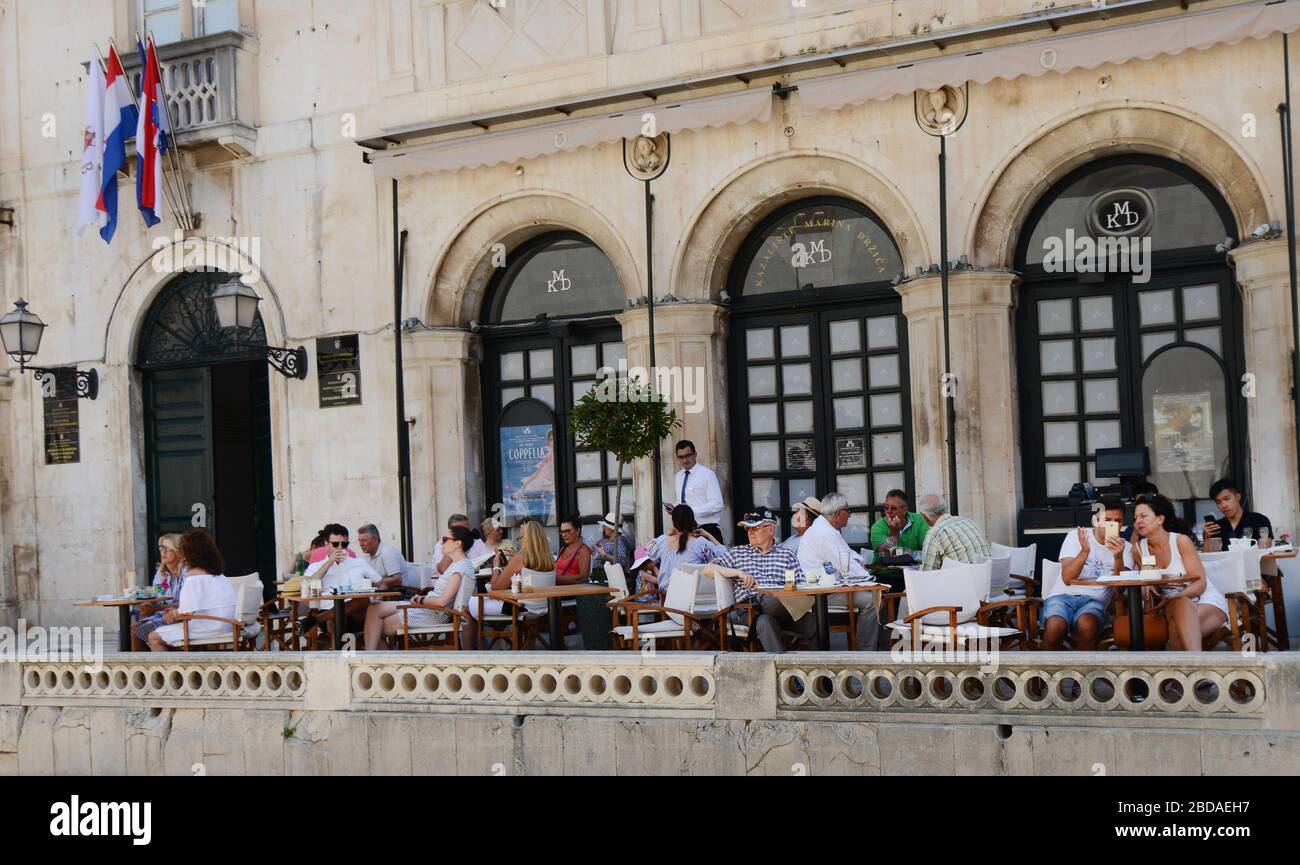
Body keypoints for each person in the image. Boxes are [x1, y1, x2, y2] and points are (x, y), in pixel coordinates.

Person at [701, 509, 810, 653]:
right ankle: (781, 673)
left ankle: (823, 675)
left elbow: (801, 586)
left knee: (815, 623)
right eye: (748, 528)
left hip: (784, 608)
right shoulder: (738, 553)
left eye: (755, 527)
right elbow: (707, 570)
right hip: (750, 611)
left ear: (770, 530)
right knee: (765, 617)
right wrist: (738, 573)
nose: (750, 532)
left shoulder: (787, 555)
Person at [1132, 494, 1228, 650]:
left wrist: (1172, 598)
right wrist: (1148, 586)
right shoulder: (1138, 550)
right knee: (1180, 607)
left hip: (1205, 601)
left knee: (1177, 623)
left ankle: (1180, 672)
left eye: (1143, 516)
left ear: (1160, 519)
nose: (1138, 521)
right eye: (1135, 518)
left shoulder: (1180, 541)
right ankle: (1196, 667)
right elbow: (1151, 581)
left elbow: (1200, 583)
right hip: (1169, 605)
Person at [364, 525, 475, 649]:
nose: (441, 543)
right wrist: (422, 599)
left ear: (457, 543)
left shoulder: (460, 568)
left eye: (445, 539)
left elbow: (442, 601)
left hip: (433, 614)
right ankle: (376, 658)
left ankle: (374, 658)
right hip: (429, 609)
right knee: (374, 609)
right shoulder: (460, 565)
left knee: (374, 629)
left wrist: (421, 599)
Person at [1042, 497, 1131, 650]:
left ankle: (1082, 673)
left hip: (1094, 601)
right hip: (1062, 596)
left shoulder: (1126, 548)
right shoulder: (1076, 536)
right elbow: (1067, 578)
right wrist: (1084, 552)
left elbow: (1119, 590)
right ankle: (1044, 673)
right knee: (1055, 626)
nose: (1113, 525)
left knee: (1087, 626)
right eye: (1107, 520)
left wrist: (1118, 557)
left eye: (1118, 521)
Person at [796, 492, 882, 650]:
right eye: (847, 511)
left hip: (831, 588)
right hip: (820, 593)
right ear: (838, 513)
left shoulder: (828, 529)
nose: (849, 515)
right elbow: (845, 565)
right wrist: (867, 576)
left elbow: (851, 555)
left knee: (872, 597)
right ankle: (866, 652)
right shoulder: (825, 533)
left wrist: (859, 564)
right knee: (871, 601)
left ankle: (866, 648)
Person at [467, 520, 555, 648]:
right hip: (543, 607)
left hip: (519, 608)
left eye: (520, 537)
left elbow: (496, 588)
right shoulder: (549, 560)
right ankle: (526, 644)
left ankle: (471, 653)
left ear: (527, 539)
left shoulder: (519, 559)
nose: (519, 541)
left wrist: (496, 566)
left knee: (468, 605)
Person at [147, 529, 237, 651]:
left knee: (153, 636)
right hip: (227, 625)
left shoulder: (194, 576)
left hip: (209, 627)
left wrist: (172, 614)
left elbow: (187, 612)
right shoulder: (218, 575)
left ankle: (175, 669)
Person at [299, 524, 381, 636]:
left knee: (363, 599)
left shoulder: (359, 562)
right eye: (336, 544)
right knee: (336, 621)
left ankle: (314, 620)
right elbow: (306, 587)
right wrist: (329, 563)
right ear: (327, 543)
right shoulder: (317, 566)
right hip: (328, 611)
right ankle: (342, 654)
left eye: (344, 544)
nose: (340, 548)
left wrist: (379, 594)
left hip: (358, 613)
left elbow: (379, 582)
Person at [644, 504, 725, 594]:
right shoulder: (701, 544)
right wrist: (708, 535)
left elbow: (644, 551)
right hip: (691, 593)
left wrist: (667, 533)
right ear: (692, 522)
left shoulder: (663, 542)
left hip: (668, 592)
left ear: (673, 524)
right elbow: (724, 555)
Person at [131, 533, 187, 650]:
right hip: (161, 614)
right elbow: (156, 594)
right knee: (133, 629)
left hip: (179, 616)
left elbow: (187, 604)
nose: (163, 552)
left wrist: (156, 609)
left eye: (168, 549)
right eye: (161, 548)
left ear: (178, 552)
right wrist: (147, 604)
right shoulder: (161, 573)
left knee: (136, 630)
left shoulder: (187, 571)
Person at [868, 489, 930, 590]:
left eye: (893, 508)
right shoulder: (877, 527)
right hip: (887, 575)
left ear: (904, 509)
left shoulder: (919, 520)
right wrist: (894, 531)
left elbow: (928, 548)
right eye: (886, 508)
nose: (888, 512)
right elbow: (888, 553)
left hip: (914, 574)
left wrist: (912, 554)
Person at [917, 493, 991, 571]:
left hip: (962, 580)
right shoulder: (969, 522)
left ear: (924, 517)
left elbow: (927, 573)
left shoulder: (934, 533)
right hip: (987, 579)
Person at [672, 440, 725, 544]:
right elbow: (682, 501)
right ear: (677, 458)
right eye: (681, 457)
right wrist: (675, 508)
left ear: (695, 454)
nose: (685, 460)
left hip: (707, 530)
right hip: (685, 533)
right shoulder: (678, 476)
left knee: (714, 560)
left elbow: (717, 504)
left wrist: (690, 510)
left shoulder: (707, 474)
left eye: (688, 455)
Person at [1205, 478, 1273, 545]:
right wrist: (1207, 538)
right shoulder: (1216, 527)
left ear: (1238, 497)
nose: (1223, 505)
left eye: (1226, 499)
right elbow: (1208, 555)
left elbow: (1264, 552)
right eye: (1218, 502)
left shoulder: (1259, 520)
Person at [357, 523, 406, 590]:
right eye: (359, 541)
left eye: (364, 540)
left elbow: (397, 580)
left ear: (375, 539)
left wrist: (374, 583)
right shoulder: (365, 556)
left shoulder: (387, 552)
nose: (361, 544)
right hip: (382, 592)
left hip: (402, 593)